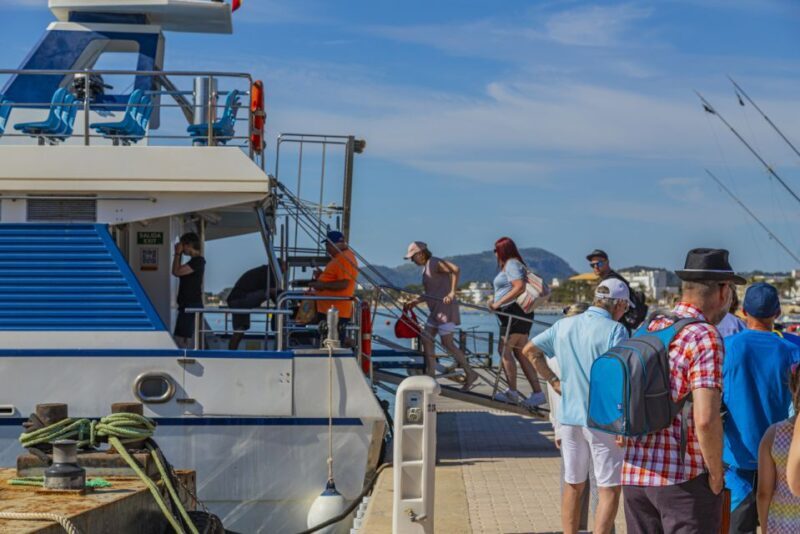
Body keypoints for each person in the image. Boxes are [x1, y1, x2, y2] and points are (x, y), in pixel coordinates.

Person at [622, 248, 745, 534]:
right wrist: (716, 474)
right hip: (683, 480)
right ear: (723, 291)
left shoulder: (651, 325)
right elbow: (705, 418)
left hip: (635, 473)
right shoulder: (704, 336)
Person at [522, 279, 630, 534]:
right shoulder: (616, 330)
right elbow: (621, 377)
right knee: (609, 488)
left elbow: (530, 350)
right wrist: (623, 423)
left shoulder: (563, 325)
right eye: (625, 307)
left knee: (573, 483)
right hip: (602, 419)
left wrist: (553, 380)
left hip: (569, 417)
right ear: (620, 304)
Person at [723, 282, 800, 533]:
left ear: (743, 312)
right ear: (777, 314)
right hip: (781, 458)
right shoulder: (791, 350)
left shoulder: (726, 347)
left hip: (737, 460)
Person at [403, 241, 479, 390]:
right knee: (426, 338)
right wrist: (416, 301)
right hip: (435, 311)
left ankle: (470, 373)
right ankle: (431, 374)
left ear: (421, 253)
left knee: (447, 343)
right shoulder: (426, 268)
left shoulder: (434, 262)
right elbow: (431, 293)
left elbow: (455, 269)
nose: (412, 260)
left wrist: (452, 292)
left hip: (446, 309)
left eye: (413, 257)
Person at [488, 236, 546, 409]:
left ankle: (512, 392)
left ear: (502, 250)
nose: (494, 253)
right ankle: (537, 393)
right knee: (520, 353)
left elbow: (519, 286)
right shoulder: (515, 264)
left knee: (503, 349)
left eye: (496, 250)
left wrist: (498, 303)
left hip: (513, 313)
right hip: (518, 313)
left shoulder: (512, 264)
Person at [757, 363, 800, 533]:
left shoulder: (773, 434)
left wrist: (766, 528)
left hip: (782, 522)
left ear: (792, 387)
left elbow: (763, 493)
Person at [309, 230, 358, 342]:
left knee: (331, 343)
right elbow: (337, 278)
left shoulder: (344, 258)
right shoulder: (340, 257)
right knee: (325, 340)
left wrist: (322, 284)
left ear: (337, 244)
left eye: (328, 245)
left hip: (335, 312)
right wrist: (322, 276)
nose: (327, 248)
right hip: (329, 310)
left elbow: (344, 283)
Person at [586, 249, 647, 331]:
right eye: (592, 265)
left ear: (607, 262)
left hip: (619, 326)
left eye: (599, 263)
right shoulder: (610, 279)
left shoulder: (613, 282)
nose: (596, 267)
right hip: (619, 325)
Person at [226, 265, 278, 350]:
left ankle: (232, 351)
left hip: (236, 299)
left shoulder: (265, 271)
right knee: (240, 328)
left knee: (241, 328)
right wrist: (283, 304)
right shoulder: (270, 273)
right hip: (240, 299)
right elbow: (273, 292)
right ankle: (232, 351)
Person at [172, 232, 206, 348]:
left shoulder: (198, 261)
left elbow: (176, 272)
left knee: (182, 341)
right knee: (181, 339)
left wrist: (177, 253)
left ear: (188, 245)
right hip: (187, 305)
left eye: (182, 245)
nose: (182, 248)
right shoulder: (194, 262)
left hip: (191, 305)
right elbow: (177, 271)